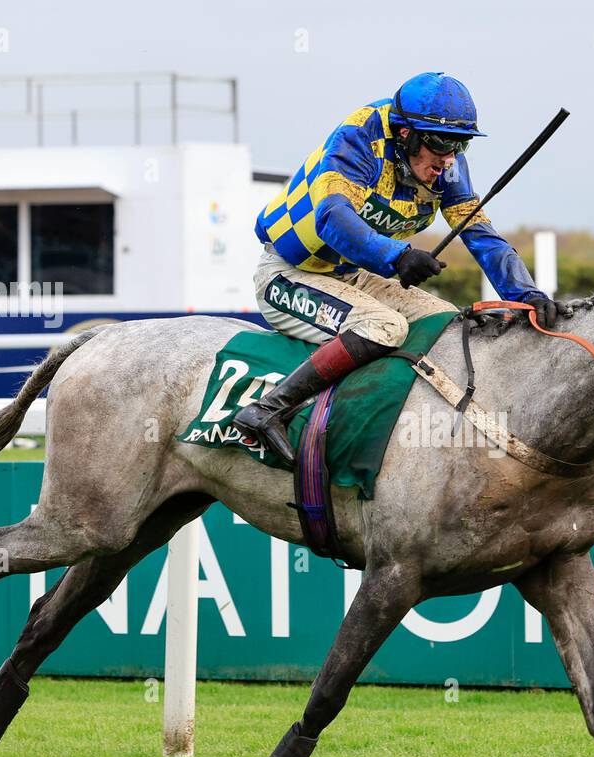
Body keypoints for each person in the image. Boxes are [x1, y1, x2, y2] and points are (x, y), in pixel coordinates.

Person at [235, 71, 563, 463]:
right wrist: (398, 256)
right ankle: (266, 410)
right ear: (405, 133)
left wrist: (524, 294)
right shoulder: (358, 138)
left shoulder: (447, 166)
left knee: (449, 326)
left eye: (460, 145)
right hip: (289, 272)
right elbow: (333, 217)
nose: (449, 158)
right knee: (384, 327)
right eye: (440, 143)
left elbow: (477, 230)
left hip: (352, 273)